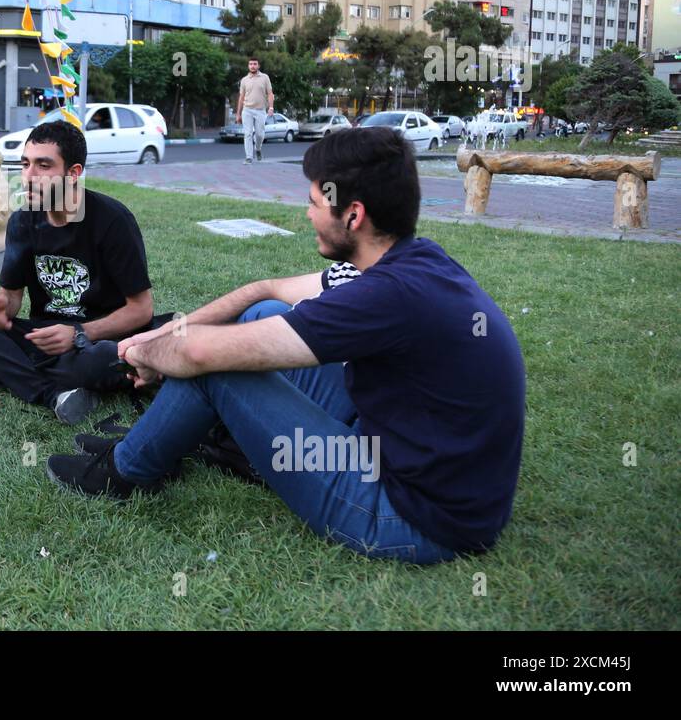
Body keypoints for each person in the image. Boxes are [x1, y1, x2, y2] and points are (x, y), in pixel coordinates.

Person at [46, 127, 526, 565]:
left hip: (415, 517)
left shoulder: (386, 294)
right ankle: (173, 441)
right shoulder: (407, 263)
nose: (307, 212)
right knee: (261, 317)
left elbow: (198, 354)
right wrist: (152, 336)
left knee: (216, 362)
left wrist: (140, 356)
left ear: (353, 215)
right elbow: (265, 291)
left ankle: (124, 471)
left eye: (315, 202)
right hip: (395, 449)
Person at [0, 120, 166, 425]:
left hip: (96, 341)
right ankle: (54, 395)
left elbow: (142, 309)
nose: (28, 177)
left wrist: (79, 333)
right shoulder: (23, 222)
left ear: (74, 173)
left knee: (105, 360)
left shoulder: (112, 220)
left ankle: (5, 369)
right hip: (45, 337)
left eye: (43, 165)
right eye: (25, 164)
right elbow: (11, 298)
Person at [235, 57, 273, 164]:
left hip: (261, 110)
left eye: (255, 64)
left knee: (260, 134)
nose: (253, 66)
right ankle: (249, 157)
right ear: (248, 66)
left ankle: (258, 149)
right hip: (247, 110)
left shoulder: (265, 78)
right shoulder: (244, 80)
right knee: (247, 134)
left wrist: (271, 107)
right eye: (251, 64)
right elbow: (241, 97)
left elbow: (270, 93)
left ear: (258, 66)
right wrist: (238, 114)